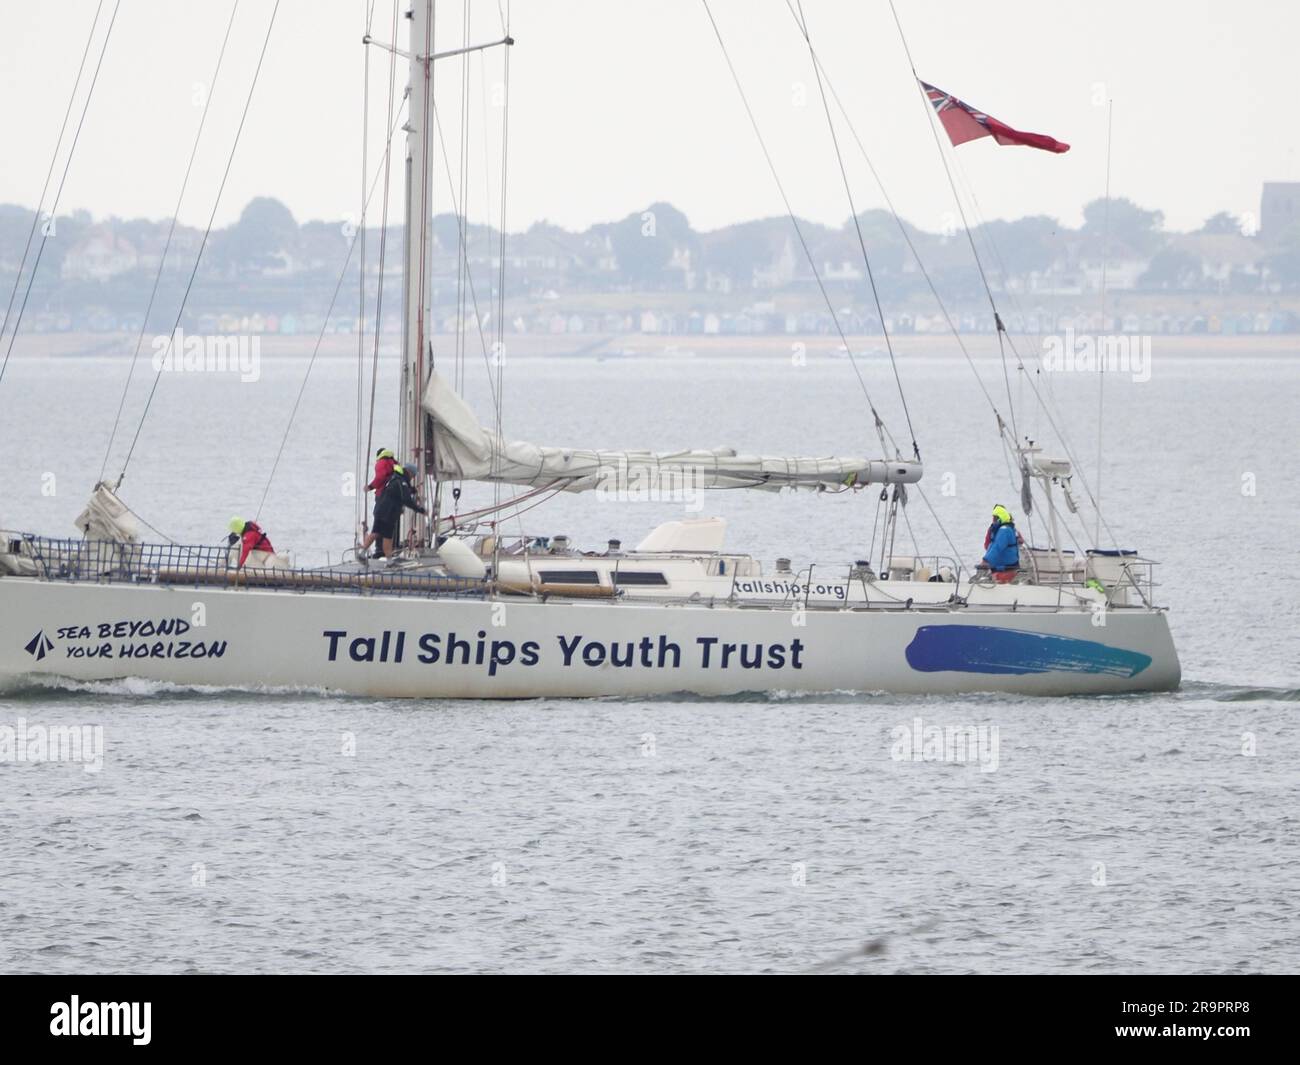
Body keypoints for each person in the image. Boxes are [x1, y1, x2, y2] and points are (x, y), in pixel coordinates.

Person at [370, 463, 426, 559]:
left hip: (380, 510)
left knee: (375, 533)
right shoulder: (401, 481)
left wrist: (411, 490)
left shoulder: (394, 477)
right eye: (413, 475)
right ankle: (389, 560)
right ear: (408, 472)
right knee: (388, 537)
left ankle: (362, 551)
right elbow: (406, 499)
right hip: (389, 513)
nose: (413, 477)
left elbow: (399, 491)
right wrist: (420, 510)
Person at [359, 448, 397, 558]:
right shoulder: (394, 464)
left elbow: (380, 477)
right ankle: (388, 554)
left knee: (378, 527)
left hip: (383, 498)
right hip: (394, 500)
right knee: (389, 528)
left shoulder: (381, 463)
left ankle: (378, 550)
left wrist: (370, 487)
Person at [982, 504, 1020, 583]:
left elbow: (997, 547)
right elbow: (990, 546)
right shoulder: (1004, 529)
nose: (993, 520)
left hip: (1005, 569)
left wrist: (986, 560)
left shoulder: (1004, 531)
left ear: (1000, 518)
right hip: (999, 567)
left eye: (995, 518)